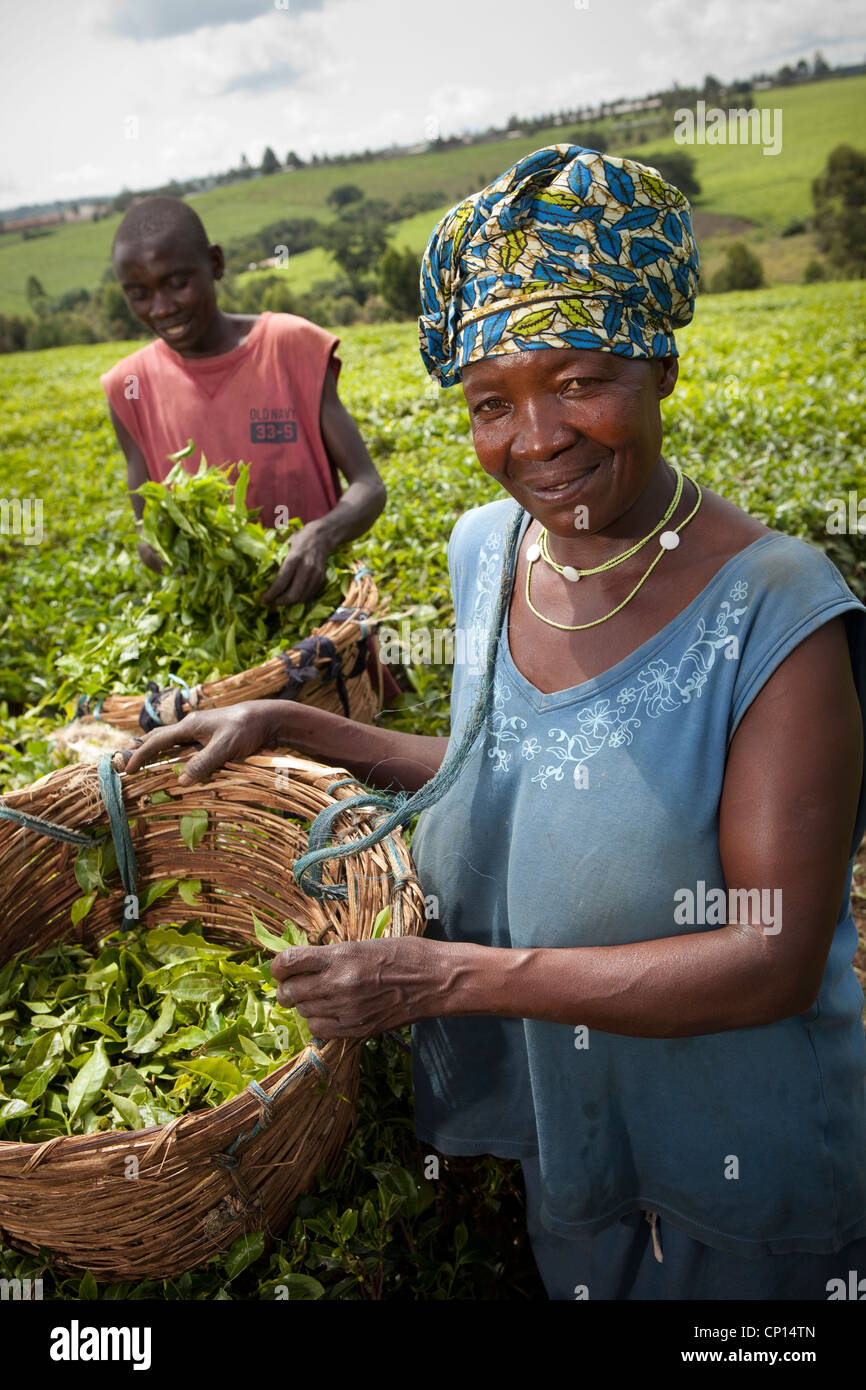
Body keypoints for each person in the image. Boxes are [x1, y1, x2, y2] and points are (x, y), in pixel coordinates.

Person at [124, 146, 866, 1300]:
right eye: (490, 403)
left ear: (659, 365)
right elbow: (516, 769)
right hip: (562, 1117)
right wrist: (298, 725)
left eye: (577, 380)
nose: (537, 438)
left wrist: (443, 981)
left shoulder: (776, 611)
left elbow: (768, 957)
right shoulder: (490, 547)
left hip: (730, 1152)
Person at [99, 196, 386, 607]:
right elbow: (147, 528)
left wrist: (321, 536)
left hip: (325, 609)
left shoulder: (290, 346)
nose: (162, 308)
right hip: (225, 621)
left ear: (215, 263)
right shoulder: (129, 387)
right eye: (139, 294)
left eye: (177, 282)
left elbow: (369, 486)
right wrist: (184, 557)